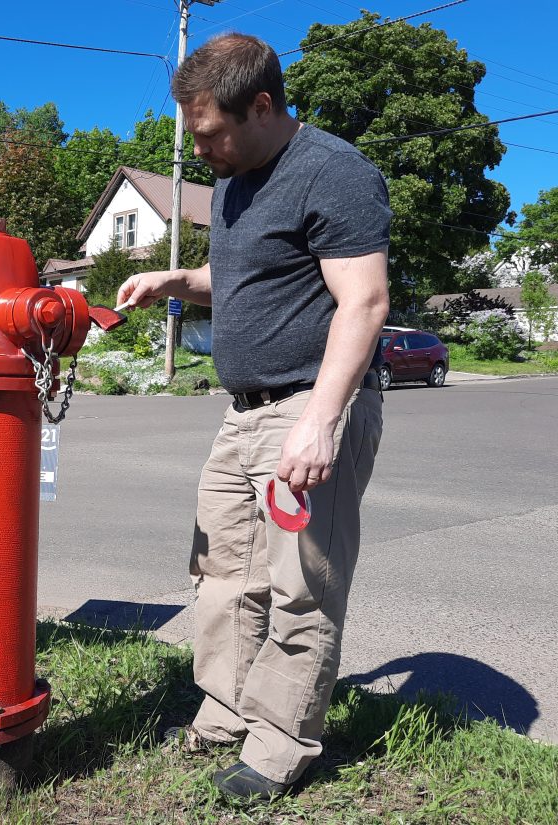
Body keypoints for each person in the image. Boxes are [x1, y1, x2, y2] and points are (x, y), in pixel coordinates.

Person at [117, 33, 390, 801]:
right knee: (222, 572)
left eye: (208, 132)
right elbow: (240, 273)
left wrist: (321, 420)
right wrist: (175, 278)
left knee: (302, 582)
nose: (198, 148)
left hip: (308, 407)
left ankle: (279, 744)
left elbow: (364, 301)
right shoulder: (236, 181)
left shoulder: (333, 172)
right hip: (242, 415)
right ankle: (228, 707)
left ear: (262, 105)